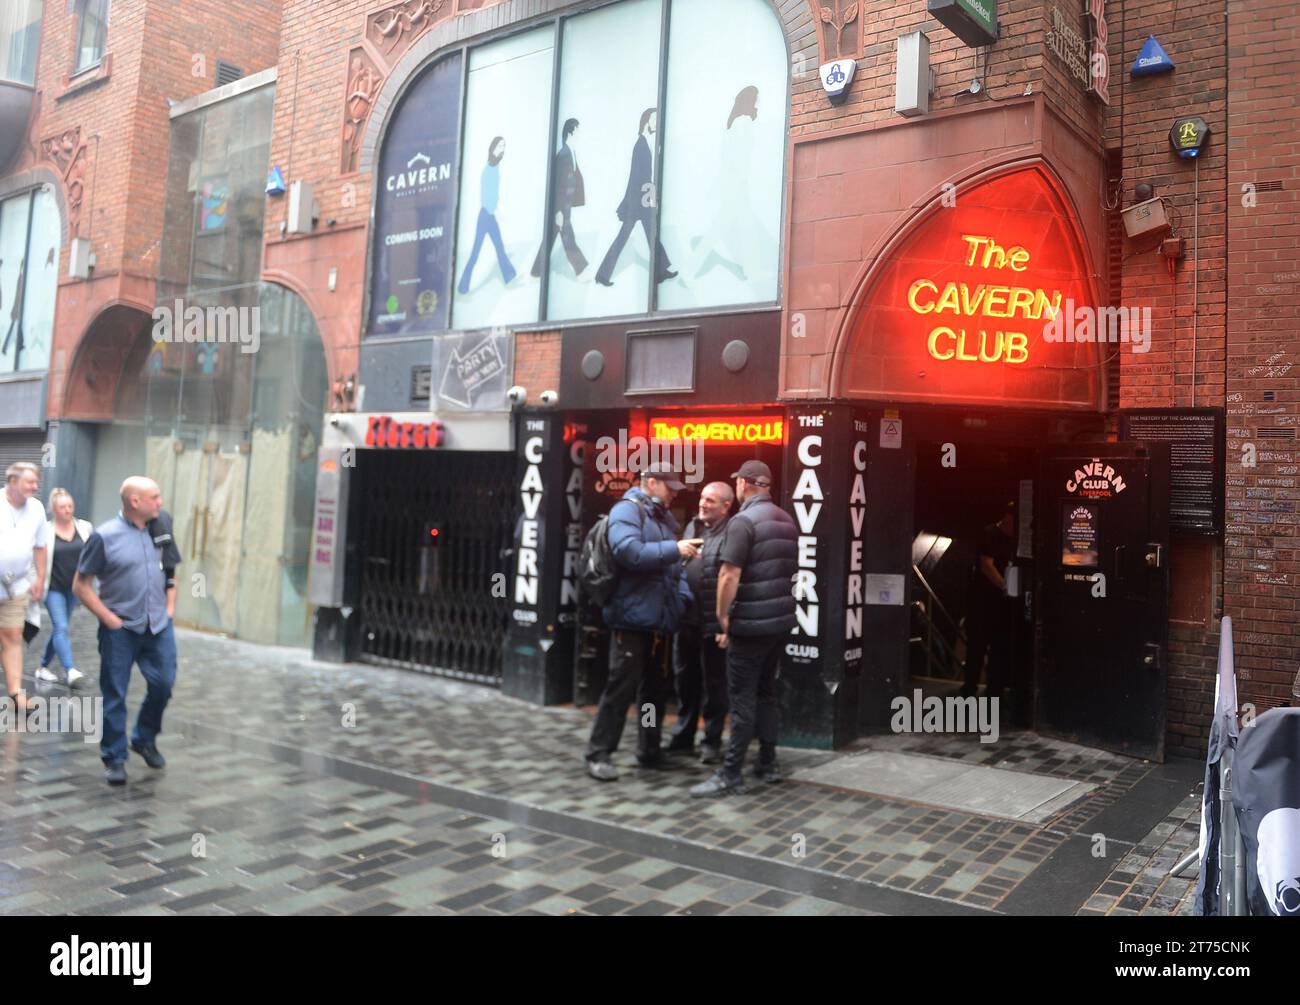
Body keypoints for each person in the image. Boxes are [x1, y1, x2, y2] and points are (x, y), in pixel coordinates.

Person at [585, 463, 699, 781]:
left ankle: (649, 750)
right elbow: (628, 552)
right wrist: (673, 548)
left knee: (653, 692)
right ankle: (599, 753)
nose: (675, 492)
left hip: (658, 621)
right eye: (669, 486)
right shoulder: (627, 510)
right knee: (621, 688)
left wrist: (682, 596)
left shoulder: (661, 517)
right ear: (650, 482)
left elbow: (672, 569)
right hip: (631, 618)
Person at [691, 460, 796, 798]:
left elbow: (729, 575)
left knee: (742, 700)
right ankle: (768, 763)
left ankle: (731, 773)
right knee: (767, 693)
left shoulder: (743, 521)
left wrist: (723, 617)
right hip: (779, 623)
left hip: (750, 626)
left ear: (746, 484)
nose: (736, 487)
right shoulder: (785, 519)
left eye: (737, 482)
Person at [73, 477, 176, 786]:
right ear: (135, 502)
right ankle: (115, 757)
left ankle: (144, 737)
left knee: (164, 683)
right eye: (154, 497)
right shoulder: (104, 536)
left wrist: (169, 610)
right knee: (115, 693)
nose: (160, 502)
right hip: (120, 629)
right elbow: (80, 585)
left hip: (158, 626)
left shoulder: (162, 525)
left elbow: (172, 571)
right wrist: (109, 619)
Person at [666, 481, 734, 763]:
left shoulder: (733, 532)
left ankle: (711, 742)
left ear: (726, 506)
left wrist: (725, 624)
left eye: (711, 500)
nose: (703, 504)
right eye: (703, 498)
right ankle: (683, 737)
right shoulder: (693, 526)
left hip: (712, 623)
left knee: (715, 686)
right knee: (685, 680)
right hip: (686, 621)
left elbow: (733, 579)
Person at [595, 108, 677, 288]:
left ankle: (661, 271)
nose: (657, 122)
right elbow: (637, 178)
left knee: (651, 235)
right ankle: (602, 274)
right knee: (625, 237)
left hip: (643, 200)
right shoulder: (640, 145)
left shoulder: (645, 143)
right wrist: (639, 202)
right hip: (639, 202)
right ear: (647, 121)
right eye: (655, 119)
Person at [35, 488, 94, 689]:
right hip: (53, 588)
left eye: (70, 506)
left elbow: (91, 554)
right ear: (53, 509)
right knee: (61, 627)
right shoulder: (45, 530)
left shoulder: (85, 528)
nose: (67, 510)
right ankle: (70, 670)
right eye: (62, 507)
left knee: (60, 628)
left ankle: (43, 667)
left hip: (75, 588)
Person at [0, 462, 47, 713]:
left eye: (36, 482)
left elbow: (40, 546)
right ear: (13, 481)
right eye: (30, 482)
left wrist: (40, 579)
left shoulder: (37, 508)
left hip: (15, 586)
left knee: (12, 636)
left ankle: (16, 693)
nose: (35, 487)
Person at [960, 501, 1018, 701]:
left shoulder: (1017, 537)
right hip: (982, 601)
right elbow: (986, 565)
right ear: (1006, 518)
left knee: (1000, 647)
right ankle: (970, 688)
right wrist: (1006, 587)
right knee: (977, 646)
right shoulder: (990, 534)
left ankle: (995, 690)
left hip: (1002, 604)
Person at [457, 136, 517, 294]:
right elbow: (486, 197)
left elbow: (493, 195)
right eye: (499, 146)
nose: (502, 150)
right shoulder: (489, 170)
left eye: (503, 147)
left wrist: (497, 208)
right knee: (476, 253)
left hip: (489, 215)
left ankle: (509, 276)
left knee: (499, 247)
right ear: (493, 148)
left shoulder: (494, 168)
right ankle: (463, 287)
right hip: (485, 216)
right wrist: (495, 210)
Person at [532, 117, 588, 279]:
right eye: (577, 130)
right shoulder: (564, 155)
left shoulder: (571, 152)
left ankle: (536, 271)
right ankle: (581, 270)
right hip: (561, 206)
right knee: (568, 237)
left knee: (553, 237)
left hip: (565, 205)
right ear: (570, 132)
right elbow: (558, 185)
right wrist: (558, 211)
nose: (579, 133)